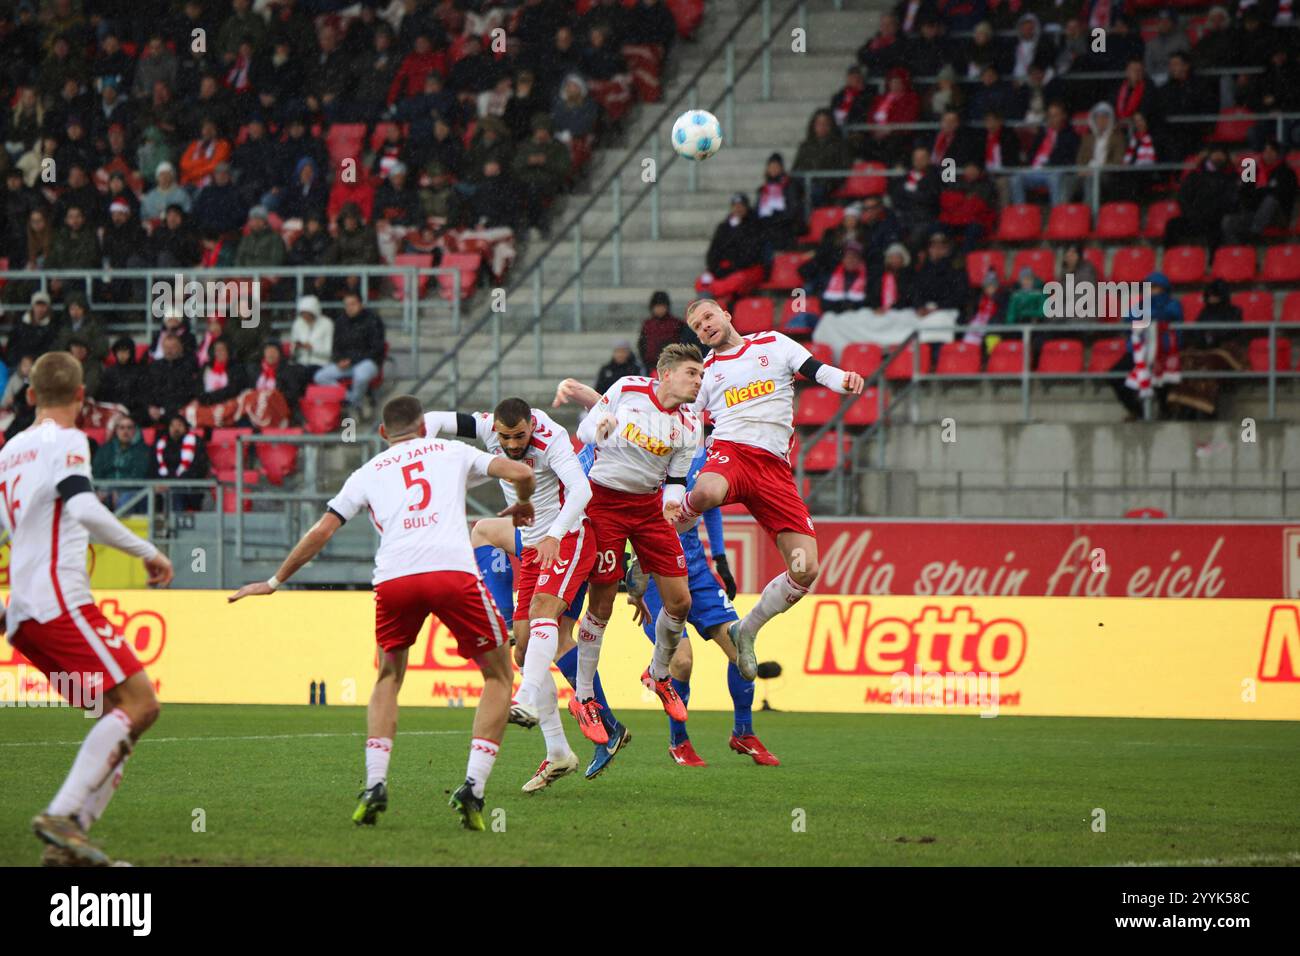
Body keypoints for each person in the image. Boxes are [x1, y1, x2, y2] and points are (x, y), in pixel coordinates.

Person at [228, 395, 534, 831]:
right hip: (451, 573)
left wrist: (275, 581)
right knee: (499, 676)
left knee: (388, 676)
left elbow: (322, 530)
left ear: (383, 434)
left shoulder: (368, 472)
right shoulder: (451, 451)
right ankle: (473, 786)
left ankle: (374, 784)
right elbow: (521, 470)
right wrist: (523, 504)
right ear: (425, 427)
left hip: (395, 579)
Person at [0, 352, 174, 867]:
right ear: (82, 398)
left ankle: (68, 848)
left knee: (118, 716)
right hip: (60, 602)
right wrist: (150, 551)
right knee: (143, 705)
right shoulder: (70, 441)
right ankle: (63, 816)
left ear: (29, 397)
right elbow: (81, 507)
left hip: (24, 617)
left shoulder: (10, 450)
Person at [557, 387, 779, 768]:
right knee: (683, 663)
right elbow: (624, 504)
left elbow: (710, 506)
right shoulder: (642, 452)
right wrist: (635, 579)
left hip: (696, 571)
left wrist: (721, 559)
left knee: (743, 652)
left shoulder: (697, 452)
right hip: (654, 568)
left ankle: (743, 732)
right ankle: (679, 742)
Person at [677, 300, 865, 680]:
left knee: (805, 568)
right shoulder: (706, 373)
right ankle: (662, 542)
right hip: (731, 453)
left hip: (775, 470)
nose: (704, 327)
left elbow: (819, 371)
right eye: (697, 326)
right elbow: (678, 417)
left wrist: (844, 379)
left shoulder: (774, 344)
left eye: (708, 317)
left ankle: (747, 629)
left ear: (726, 315)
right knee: (705, 492)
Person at [422, 399, 594, 777]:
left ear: (532, 426)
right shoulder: (486, 428)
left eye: (519, 436)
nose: (513, 444)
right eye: (505, 437)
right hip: (530, 543)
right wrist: (418, 451)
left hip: (564, 536)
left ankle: (529, 699)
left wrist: (554, 534)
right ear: (494, 429)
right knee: (522, 649)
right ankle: (559, 751)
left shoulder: (552, 439)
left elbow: (582, 491)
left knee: (543, 615)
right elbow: (432, 418)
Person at [550, 346, 707, 741]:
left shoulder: (691, 424)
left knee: (680, 601)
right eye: (692, 373)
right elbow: (587, 429)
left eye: (701, 376)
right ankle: (584, 697)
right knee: (601, 605)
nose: (698, 381)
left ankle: (657, 674)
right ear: (665, 374)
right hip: (604, 503)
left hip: (650, 509)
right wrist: (598, 428)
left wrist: (673, 505)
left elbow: (675, 479)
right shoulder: (628, 389)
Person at [313, 291, 387, 412]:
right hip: (346, 363)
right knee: (320, 377)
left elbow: (376, 348)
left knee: (360, 376)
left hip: (368, 361)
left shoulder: (373, 320)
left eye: (353, 304)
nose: (350, 308)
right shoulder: (341, 321)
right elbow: (336, 347)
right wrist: (338, 360)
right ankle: (353, 399)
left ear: (361, 304)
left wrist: (353, 360)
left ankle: (354, 404)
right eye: (347, 305)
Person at [1222, 139, 1297, 244]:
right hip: (1254, 213)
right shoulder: (1252, 170)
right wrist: (1261, 192)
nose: (1268, 154)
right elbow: (1244, 192)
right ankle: (1241, 253)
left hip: (1278, 217)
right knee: (1228, 221)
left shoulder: (1286, 172)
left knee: (1270, 201)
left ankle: (1254, 234)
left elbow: (1283, 196)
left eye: (1271, 151)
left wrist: (1260, 192)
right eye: (1265, 151)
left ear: (1278, 154)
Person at [696, 193, 766, 304]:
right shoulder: (723, 227)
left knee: (736, 281)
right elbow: (713, 252)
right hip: (723, 269)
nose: (738, 209)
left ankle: (712, 300)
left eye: (741, 205)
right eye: (735, 205)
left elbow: (752, 254)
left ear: (746, 207)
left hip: (745, 269)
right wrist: (717, 268)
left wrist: (732, 267)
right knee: (702, 281)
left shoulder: (754, 227)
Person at [1010, 101, 1079, 206]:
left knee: (1054, 179)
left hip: (1054, 170)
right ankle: (1021, 213)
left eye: (1055, 115)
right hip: (1035, 170)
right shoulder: (1042, 134)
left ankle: (1056, 214)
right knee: (1016, 178)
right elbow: (1032, 153)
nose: (1052, 119)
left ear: (1063, 116)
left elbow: (1070, 159)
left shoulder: (1071, 136)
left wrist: (1050, 165)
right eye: (1050, 116)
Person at [92, 416, 151, 513]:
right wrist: (100, 490)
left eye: (129, 428)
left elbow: (139, 475)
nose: (125, 431)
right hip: (106, 488)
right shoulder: (105, 449)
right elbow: (96, 472)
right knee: (91, 499)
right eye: (122, 428)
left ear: (134, 430)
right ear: (116, 430)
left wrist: (119, 489)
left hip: (132, 490)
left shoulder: (144, 450)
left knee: (125, 499)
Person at [753, 152, 804, 256]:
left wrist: (776, 218)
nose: (773, 169)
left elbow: (793, 210)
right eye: (771, 166)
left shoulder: (789, 186)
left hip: (784, 230)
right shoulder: (763, 189)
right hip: (766, 230)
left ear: (781, 168)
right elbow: (757, 211)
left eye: (776, 166)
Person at [637, 291, 699, 370]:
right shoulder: (647, 324)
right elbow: (642, 344)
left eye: (662, 306)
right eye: (657, 307)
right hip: (651, 365)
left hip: (672, 364)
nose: (659, 309)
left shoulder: (677, 324)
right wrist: (645, 360)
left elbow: (683, 343)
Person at [290, 294, 335, 378]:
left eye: (307, 313)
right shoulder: (298, 323)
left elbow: (329, 352)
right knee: (291, 372)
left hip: (320, 363)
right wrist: (296, 348)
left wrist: (312, 349)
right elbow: (292, 349)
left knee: (304, 374)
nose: (305, 316)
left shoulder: (327, 324)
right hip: (301, 362)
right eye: (302, 313)